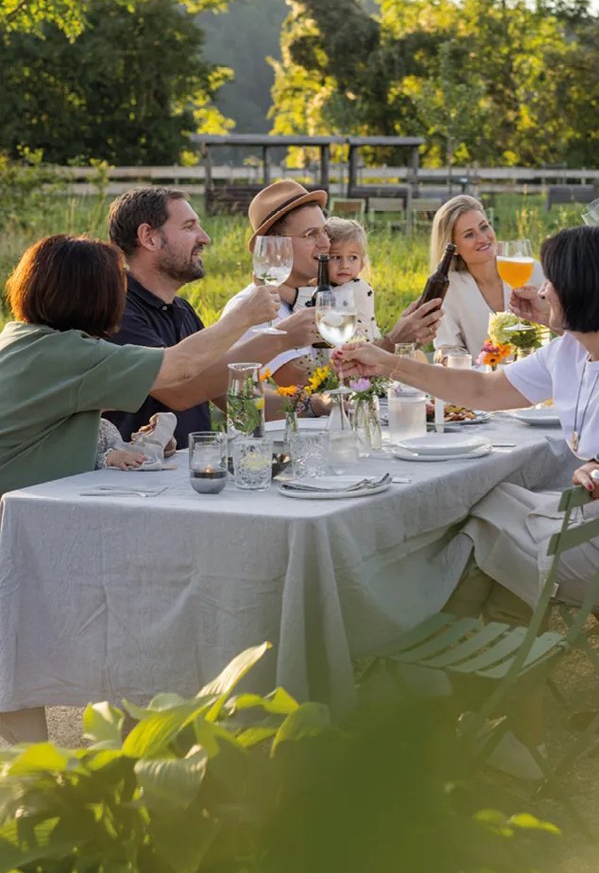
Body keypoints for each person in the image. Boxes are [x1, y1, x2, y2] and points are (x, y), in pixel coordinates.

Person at [339, 225, 599, 775]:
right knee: (493, 514)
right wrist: (388, 362)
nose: (544, 292)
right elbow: (486, 392)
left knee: (486, 544)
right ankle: (481, 713)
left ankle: (454, 701)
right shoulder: (573, 352)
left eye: (553, 282)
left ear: (585, 287)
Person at [0, 235, 277, 743]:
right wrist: (242, 316)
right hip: (17, 545)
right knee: (144, 591)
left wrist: (118, 447)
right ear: (94, 295)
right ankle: (115, 757)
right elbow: (178, 369)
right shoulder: (64, 352)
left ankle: (51, 773)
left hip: (29, 529)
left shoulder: (23, 339)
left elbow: (36, 435)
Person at [104, 186, 320, 442]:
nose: (204, 238)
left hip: (186, 472)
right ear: (149, 238)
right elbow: (178, 391)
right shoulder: (115, 310)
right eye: (189, 227)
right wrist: (278, 337)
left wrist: (319, 405)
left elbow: (234, 399)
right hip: (130, 478)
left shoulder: (182, 311)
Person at [222, 180, 442, 383]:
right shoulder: (253, 311)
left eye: (325, 232)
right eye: (310, 234)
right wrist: (392, 343)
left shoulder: (324, 297)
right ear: (275, 246)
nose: (325, 243)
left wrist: (405, 341)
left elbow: (346, 370)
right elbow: (310, 382)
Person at [430, 195, 542, 360]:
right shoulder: (449, 288)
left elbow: (565, 325)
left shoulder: (529, 270)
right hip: (484, 381)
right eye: (469, 235)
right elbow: (448, 350)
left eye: (484, 227)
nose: (483, 238)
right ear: (453, 248)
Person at [322, 216, 380, 341]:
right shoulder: (329, 287)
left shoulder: (359, 288)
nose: (344, 265)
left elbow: (321, 305)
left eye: (352, 257)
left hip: (363, 350)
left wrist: (285, 291)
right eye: (336, 257)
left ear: (361, 264)